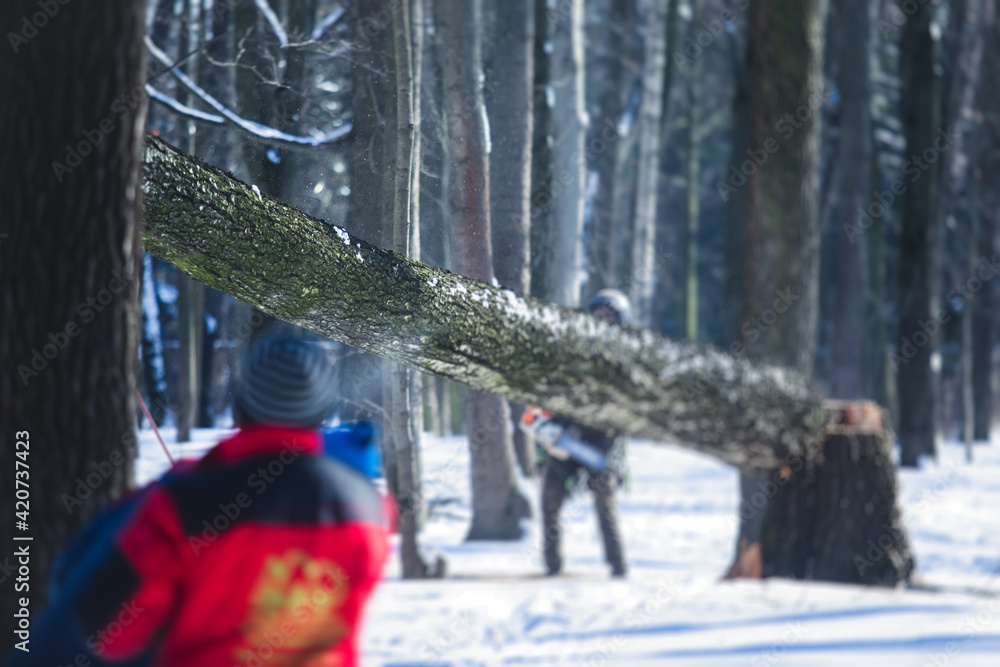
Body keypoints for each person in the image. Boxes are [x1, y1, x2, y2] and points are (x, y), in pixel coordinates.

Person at [14, 336, 393, 667]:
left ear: (241, 405)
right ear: (322, 414)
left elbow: (110, 633)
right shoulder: (372, 509)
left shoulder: (181, 504)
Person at [532, 289, 631, 578]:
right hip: (567, 439)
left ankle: (618, 566)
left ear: (619, 321)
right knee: (550, 496)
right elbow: (553, 393)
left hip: (602, 445)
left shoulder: (625, 359)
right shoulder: (572, 350)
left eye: (609, 315)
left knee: (604, 501)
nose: (602, 319)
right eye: (598, 313)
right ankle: (552, 565)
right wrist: (550, 429)